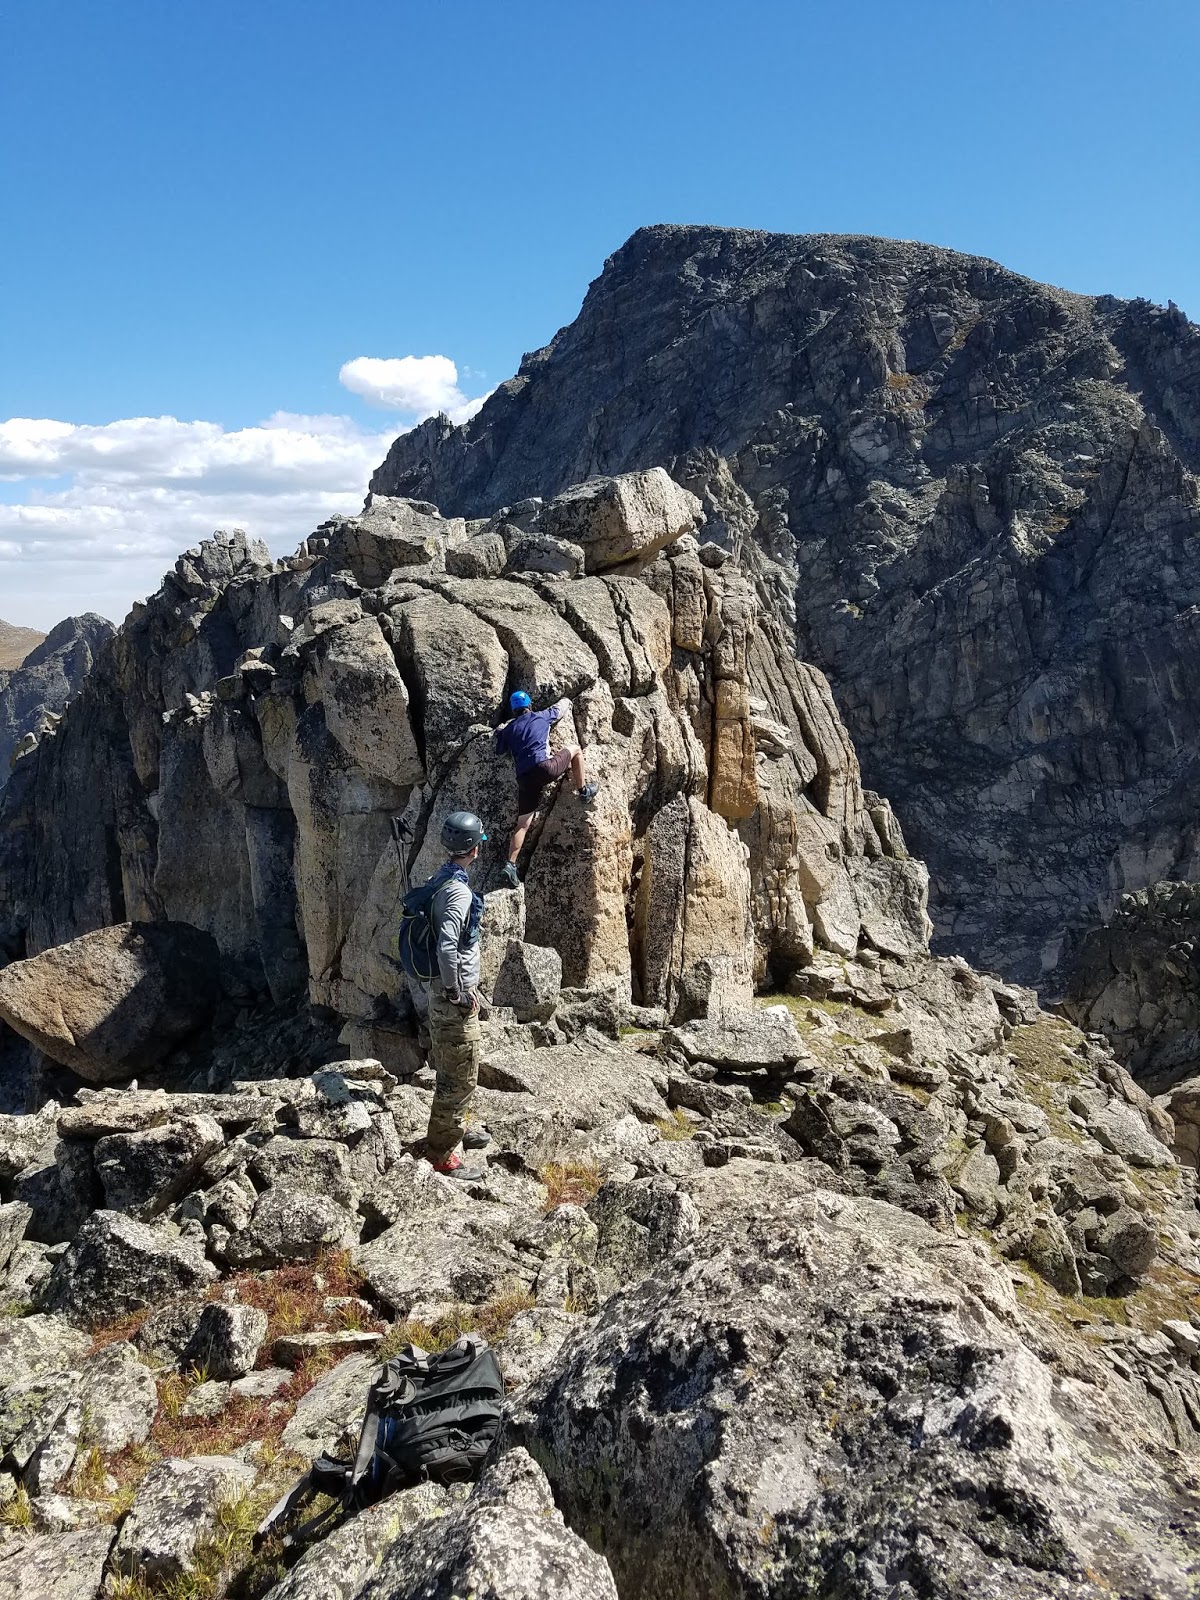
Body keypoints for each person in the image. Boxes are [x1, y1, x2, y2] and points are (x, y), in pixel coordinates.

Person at [421, 809, 491, 1180]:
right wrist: (457, 993)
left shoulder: (439, 878)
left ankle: (459, 1129)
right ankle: (444, 1154)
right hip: (452, 1000)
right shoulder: (458, 892)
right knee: (457, 1077)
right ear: (474, 848)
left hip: (446, 995)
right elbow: (447, 947)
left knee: (461, 1068)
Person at [493, 690, 598, 888]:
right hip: (545, 769)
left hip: (523, 778)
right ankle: (584, 791)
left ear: (513, 710)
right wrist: (568, 698)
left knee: (523, 823)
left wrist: (500, 731)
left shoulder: (509, 729)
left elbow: (499, 750)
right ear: (530, 705)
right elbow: (560, 708)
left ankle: (510, 864)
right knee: (575, 749)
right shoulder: (540, 716)